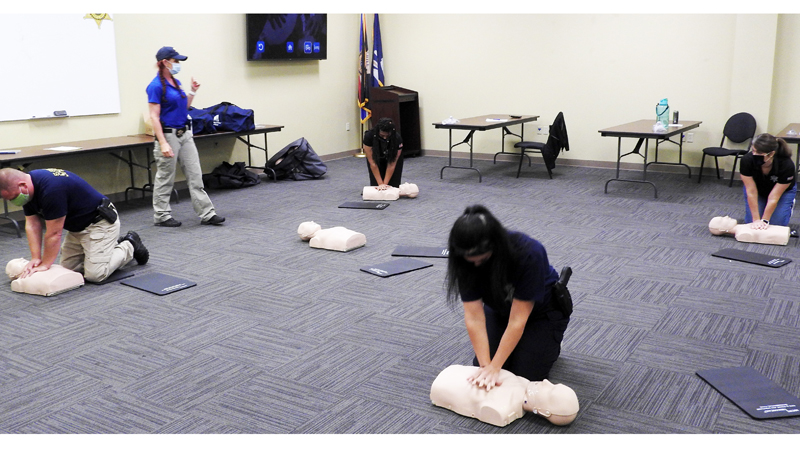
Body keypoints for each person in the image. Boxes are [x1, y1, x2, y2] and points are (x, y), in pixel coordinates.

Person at [446, 205, 569, 389]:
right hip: (500, 307)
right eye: (471, 261)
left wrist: (496, 366)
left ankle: (550, 343)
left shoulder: (529, 253)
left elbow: (518, 320)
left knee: (525, 378)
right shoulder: (463, 259)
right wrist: (487, 366)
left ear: (495, 246)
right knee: (483, 371)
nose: (476, 265)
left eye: (481, 259)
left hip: (542, 313)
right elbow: (474, 317)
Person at [0, 168, 148, 283]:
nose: (14, 202)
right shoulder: (28, 189)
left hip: (100, 223)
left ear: (22, 185)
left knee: (95, 275)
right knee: (68, 271)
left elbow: (54, 234)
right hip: (77, 227)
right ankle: (100, 252)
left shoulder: (51, 189)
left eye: (13, 197)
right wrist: (35, 258)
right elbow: (32, 225)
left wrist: (45, 264)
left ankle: (129, 245)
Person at [147, 46, 225, 227]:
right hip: (168, 135)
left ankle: (207, 213)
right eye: (175, 61)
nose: (178, 64)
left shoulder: (176, 82)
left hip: (185, 133)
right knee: (166, 177)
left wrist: (193, 91)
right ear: (165, 62)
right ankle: (162, 215)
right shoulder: (155, 86)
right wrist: (163, 142)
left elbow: (184, 107)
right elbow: (153, 117)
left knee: (195, 175)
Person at [430, 364, 579, 427]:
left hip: (445, 386)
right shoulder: (523, 383)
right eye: (554, 384)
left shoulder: (504, 409)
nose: (546, 382)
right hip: (456, 376)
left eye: (550, 391)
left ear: (544, 412)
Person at [739, 133, 796, 229]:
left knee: (776, 224)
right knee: (751, 223)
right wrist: (756, 219)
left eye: (760, 153)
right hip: (757, 190)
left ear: (771, 154)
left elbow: (774, 197)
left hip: (781, 192)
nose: (755, 155)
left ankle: (789, 204)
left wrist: (765, 220)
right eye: (753, 151)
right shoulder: (747, 161)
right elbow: (751, 192)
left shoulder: (786, 164)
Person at [362, 117, 403, 189]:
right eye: (382, 135)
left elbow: (392, 164)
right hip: (376, 158)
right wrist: (381, 184)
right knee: (376, 186)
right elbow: (372, 162)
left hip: (391, 157)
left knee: (393, 187)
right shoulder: (369, 136)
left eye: (387, 136)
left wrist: (385, 184)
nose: (384, 138)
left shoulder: (397, 138)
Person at [708, 215, 791, 246]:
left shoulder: (742, 227)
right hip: (782, 235)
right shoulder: (741, 234)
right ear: (722, 229)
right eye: (722, 220)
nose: (726, 216)